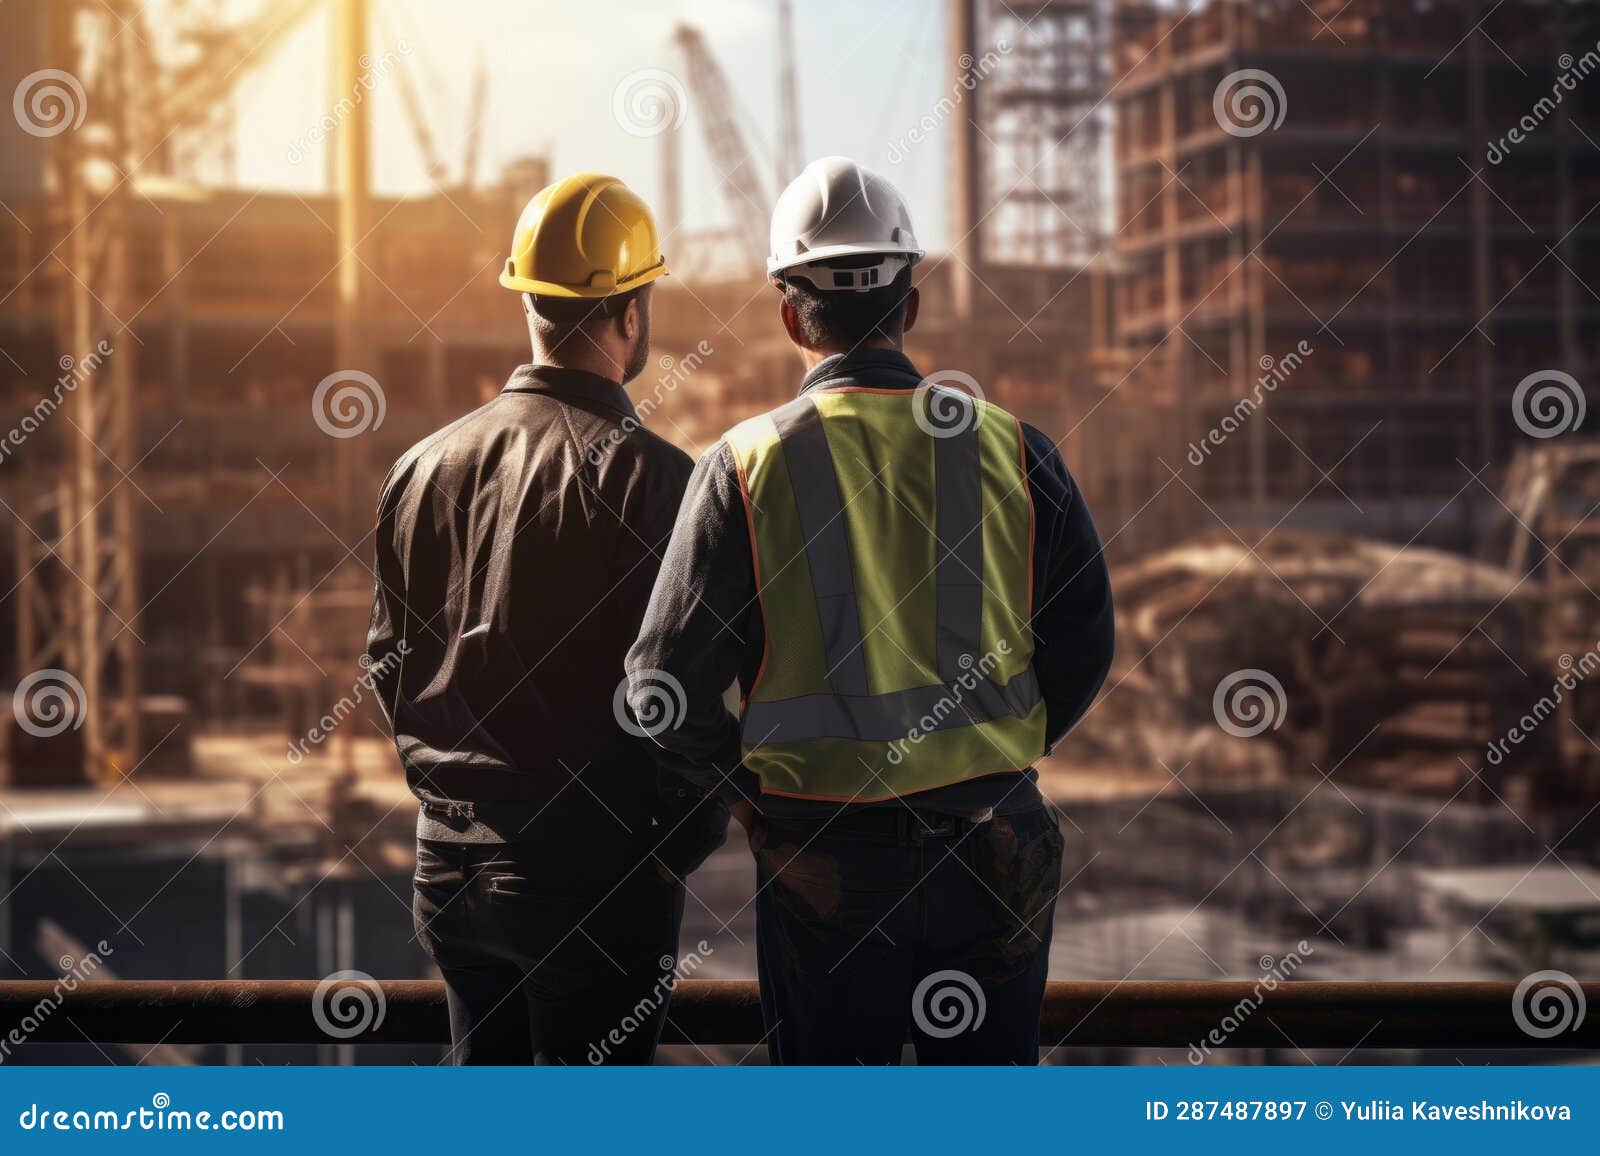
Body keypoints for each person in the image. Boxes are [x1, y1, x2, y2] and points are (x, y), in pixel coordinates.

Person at [627, 156, 1113, 1064]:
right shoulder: (1014, 448)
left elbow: (660, 686)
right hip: (994, 840)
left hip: (825, 855)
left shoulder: (742, 464)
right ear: (911, 305)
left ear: (787, 312)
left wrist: (747, 801)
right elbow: (1085, 639)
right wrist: (1002, 750)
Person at [366, 172, 726, 1064]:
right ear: (631, 314)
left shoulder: (420, 468)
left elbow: (384, 665)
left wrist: (449, 801)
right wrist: (674, 846)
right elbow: (688, 694)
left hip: (447, 870)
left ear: (527, 299)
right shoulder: (653, 479)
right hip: (592, 879)